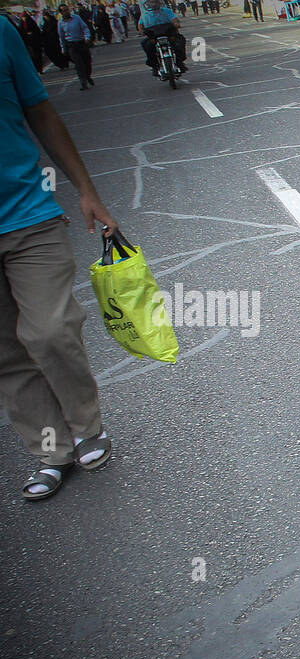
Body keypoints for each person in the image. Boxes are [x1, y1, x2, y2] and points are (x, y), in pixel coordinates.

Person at [1, 14, 118, 501]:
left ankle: (85, 426)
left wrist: (86, 190)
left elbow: (41, 111)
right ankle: (51, 451)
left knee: (49, 331)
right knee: (7, 352)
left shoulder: (3, 31)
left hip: (27, 214)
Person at [139, 0, 187, 74]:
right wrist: (141, 31)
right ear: (147, 3)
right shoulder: (145, 14)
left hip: (169, 34)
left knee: (180, 41)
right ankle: (154, 65)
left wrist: (176, 23)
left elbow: (174, 19)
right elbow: (140, 25)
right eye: (151, 2)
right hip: (153, 36)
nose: (154, 4)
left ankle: (179, 62)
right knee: (146, 44)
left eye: (155, 2)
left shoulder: (167, 11)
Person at [57, 4, 93, 88]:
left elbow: (85, 28)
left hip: (81, 43)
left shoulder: (76, 17)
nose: (67, 12)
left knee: (87, 62)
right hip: (71, 45)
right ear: (61, 13)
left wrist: (87, 37)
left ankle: (88, 76)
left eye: (67, 10)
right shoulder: (60, 23)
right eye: (64, 10)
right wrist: (63, 48)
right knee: (78, 63)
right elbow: (61, 36)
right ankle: (83, 82)